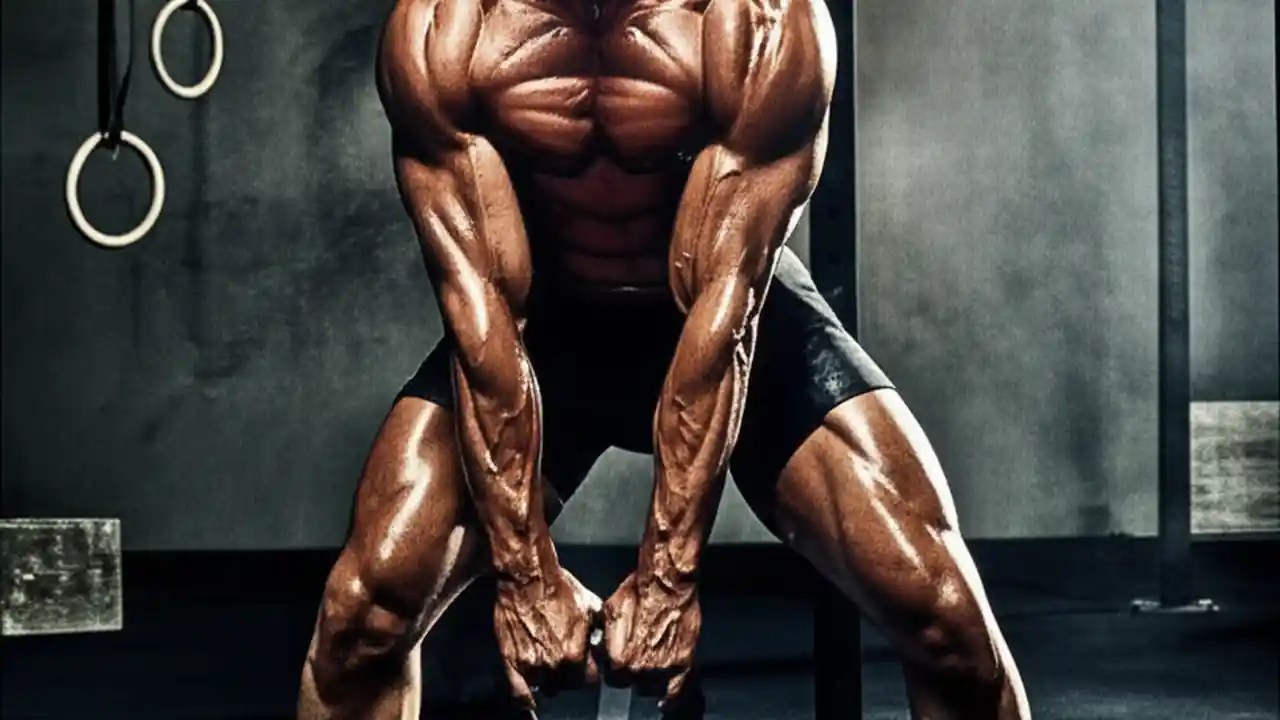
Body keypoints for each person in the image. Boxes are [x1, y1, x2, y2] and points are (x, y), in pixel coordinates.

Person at [297, 0, 1030, 717]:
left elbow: (726, 309)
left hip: (732, 316)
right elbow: (480, 308)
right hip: (543, 329)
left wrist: (667, 582)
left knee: (945, 617)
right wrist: (526, 577)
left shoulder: (762, 23)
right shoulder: (445, 30)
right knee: (361, 618)